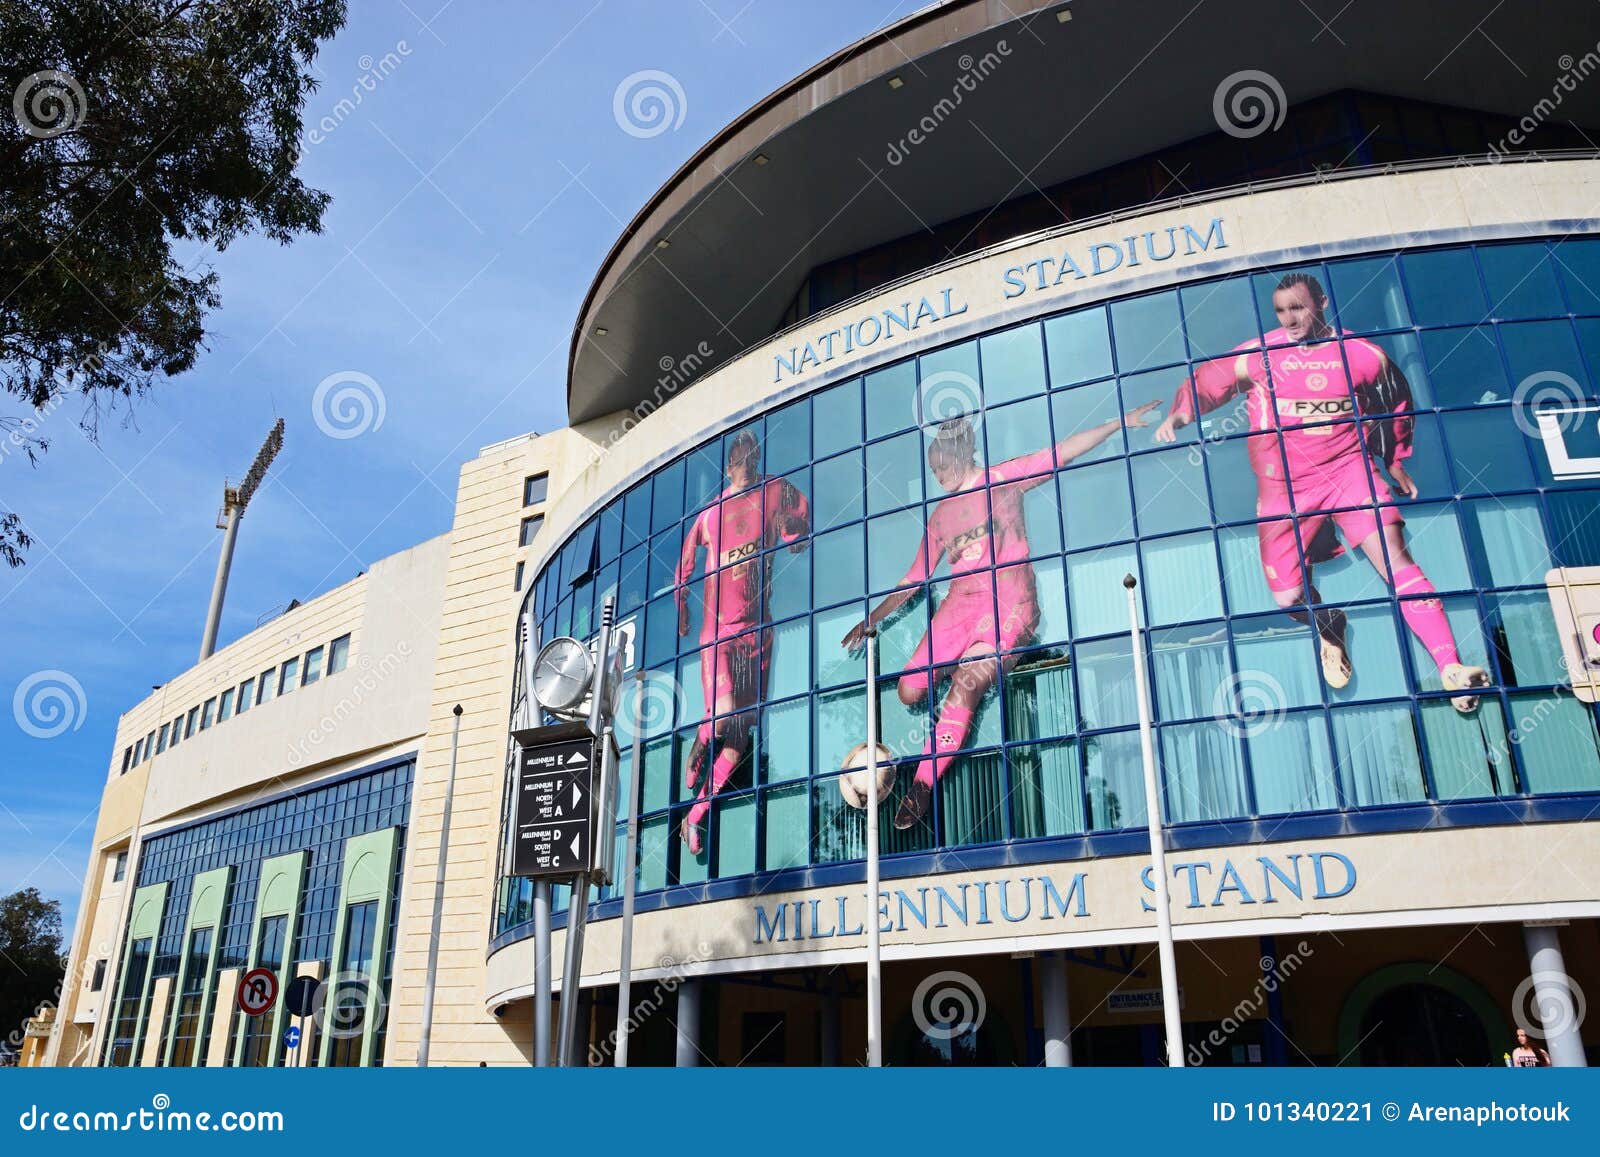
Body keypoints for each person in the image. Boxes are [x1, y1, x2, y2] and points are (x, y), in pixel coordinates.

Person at [1152, 271, 1490, 711]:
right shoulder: (1259, 356)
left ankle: (1450, 667)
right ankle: (1328, 622)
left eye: (1298, 308)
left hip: (1349, 473)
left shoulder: (1363, 356)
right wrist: (1180, 415)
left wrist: (1393, 460)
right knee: (1287, 596)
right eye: (1281, 311)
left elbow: (1396, 402)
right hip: (1285, 489)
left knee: (1395, 557)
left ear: (1323, 303)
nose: (1290, 319)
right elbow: (1209, 383)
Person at [844, 400, 1162, 829]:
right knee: (908, 692)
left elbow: (1061, 451)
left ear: (960, 456)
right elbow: (914, 578)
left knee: (967, 685)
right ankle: (956, 679)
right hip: (959, 605)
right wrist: (872, 618)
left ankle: (922, 782)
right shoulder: (939, 517)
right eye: (934, 475)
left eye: (942, 470)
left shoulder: (1004, 480)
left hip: (1007, 603)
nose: (939, 480)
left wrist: (1119, 422)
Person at [676, 430, 811, 853]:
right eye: (739, 459)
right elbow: (682, 569)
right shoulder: (710, 514)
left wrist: (794, 535)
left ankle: (693, 817)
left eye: (751, 457)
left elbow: (799, 523)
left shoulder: (775, 490)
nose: (746, 465)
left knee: (739, 740)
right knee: (721, 719)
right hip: (719, 636)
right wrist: (681, 607)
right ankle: (699, 742)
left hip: (759, 634)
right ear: (729, 464)